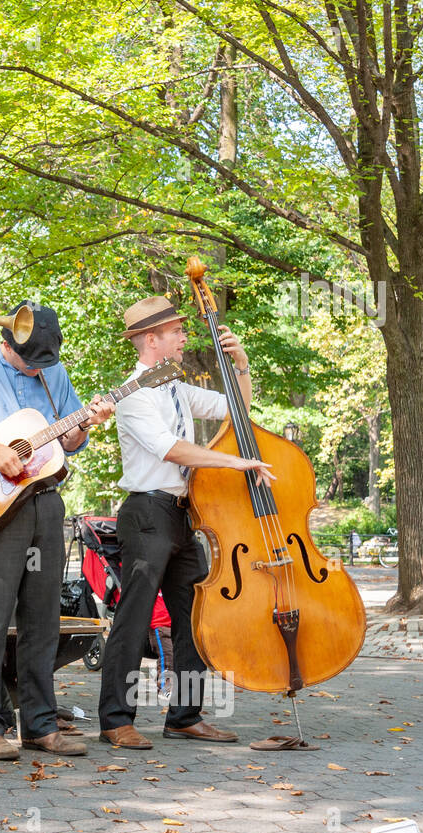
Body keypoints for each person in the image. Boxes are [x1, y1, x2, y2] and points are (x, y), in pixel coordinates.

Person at [0, 302, 113, 760]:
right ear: (6, 343)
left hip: (46, 503)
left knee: (42, 619)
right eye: (28, 362)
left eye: (42, 364)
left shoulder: (53, 371)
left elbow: (70, 440)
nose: (36, 371)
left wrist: (82, 428)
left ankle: (39, 726)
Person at [96, 296, 275, 750]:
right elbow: (171, 448)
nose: (183, 336)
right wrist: (234, 463)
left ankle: (184, 716)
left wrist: (242, 366)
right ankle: (116, 720)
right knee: (134, 618)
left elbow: (235, 409)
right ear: (151, 339)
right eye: (176, 331)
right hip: (146, 514)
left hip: (181, 515)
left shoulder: (173, 384)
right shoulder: (133, 394)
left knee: (196, 616)